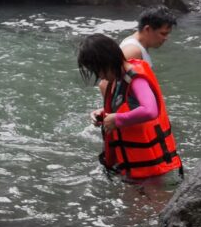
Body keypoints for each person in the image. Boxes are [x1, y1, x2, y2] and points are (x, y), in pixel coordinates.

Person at [78, 33, 182, 180]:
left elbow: (150, 110)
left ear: (108, 61)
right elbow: (126, 107)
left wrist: (117, 119)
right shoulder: (118, 80)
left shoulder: (135, 78)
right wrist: (103, 114)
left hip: (150, 167)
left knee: (155, 202)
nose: (100, 76)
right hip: (131, 164)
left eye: (99, 70)